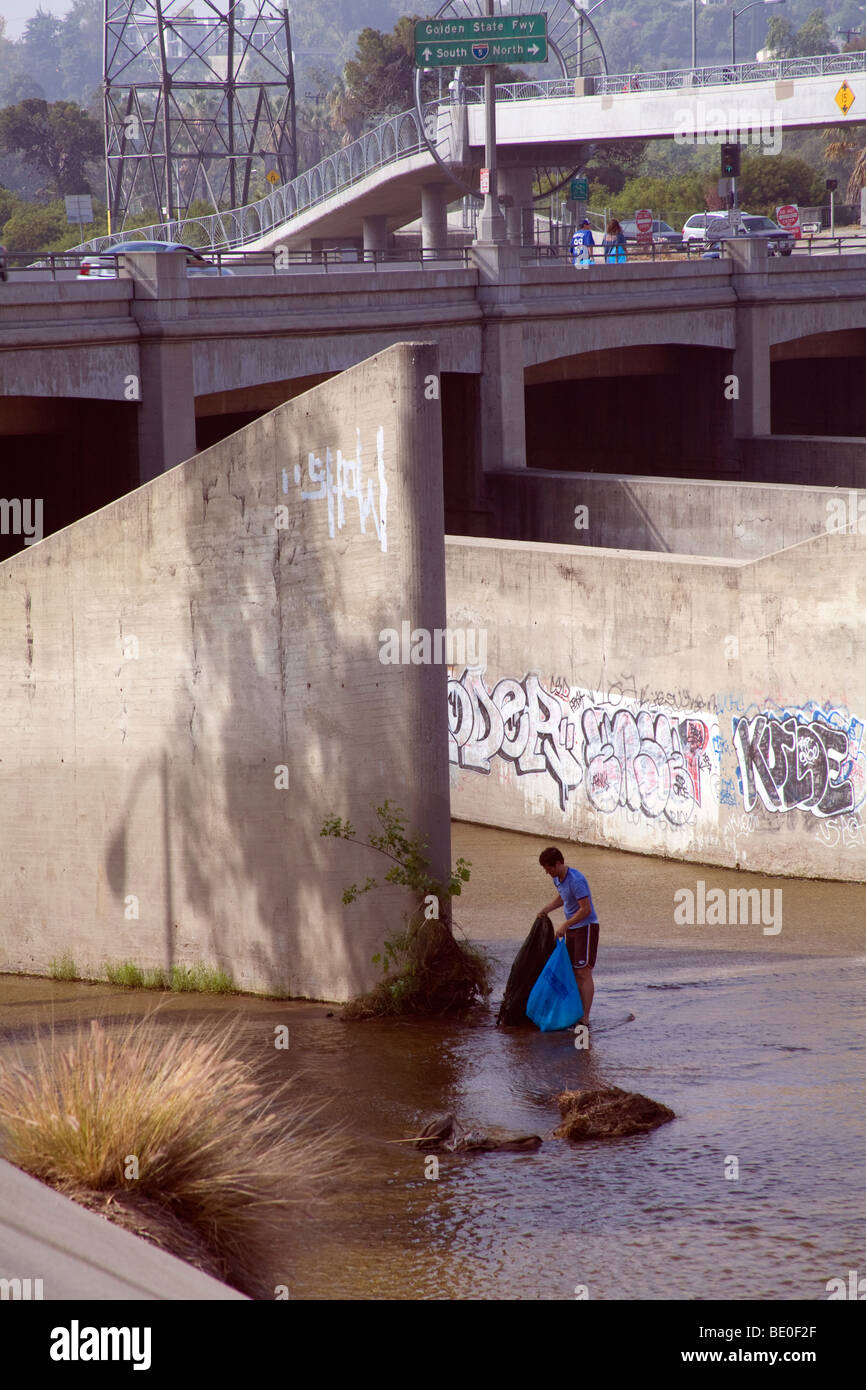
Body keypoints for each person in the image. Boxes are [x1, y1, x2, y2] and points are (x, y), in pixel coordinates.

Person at [537, 846, 599, 1022]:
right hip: (572, 928)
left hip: (586, 928)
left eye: (548, 869)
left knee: (583, 973)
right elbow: (563, 897)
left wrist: (565, 924)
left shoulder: (576, 880)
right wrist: (546, 909)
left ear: (558, 864)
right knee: (572, 971)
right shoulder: (557, 879)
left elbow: (585, 909)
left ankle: (585, 1017)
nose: (547, 873)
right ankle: (576, 1012)